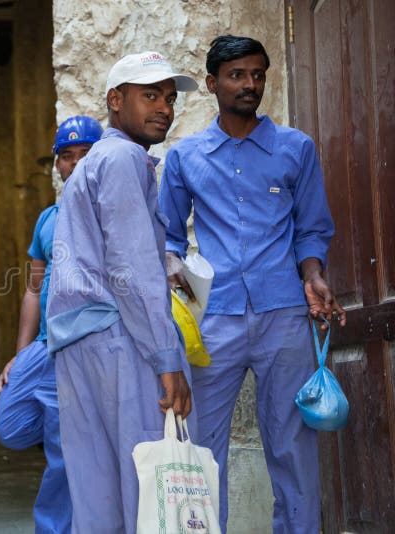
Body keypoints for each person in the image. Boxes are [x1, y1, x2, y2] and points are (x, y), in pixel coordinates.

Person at [158, 35, 345, 533]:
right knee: (202, 446)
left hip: (283, 314)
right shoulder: (185, 157)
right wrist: (173, 264)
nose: (249, 84)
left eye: (258, 75)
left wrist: (313, 272)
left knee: (292, 445)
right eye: (237, 75)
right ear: (213, 82)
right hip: (214, 320)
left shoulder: (295, 149)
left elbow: (311, 228)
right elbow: (169, 235)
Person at [46, 52, 198, 532]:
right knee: (146, 485)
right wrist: (166, 357)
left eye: (170, 99)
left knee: (97, 490)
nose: (164, 109)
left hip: (78, 341)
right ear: (115, 100)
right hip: (118, 339)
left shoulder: (97, 163)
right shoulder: (124, 157)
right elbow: (130, 270)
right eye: (149, 95)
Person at [0, 116, 103, 534]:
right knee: (9, 426)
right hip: (45, 346)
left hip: (83, 346)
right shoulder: (47, 219)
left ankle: (57, 527)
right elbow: (31, 290)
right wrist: (21, 354)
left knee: (64, 450)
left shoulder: (107, 211)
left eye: (85, 155)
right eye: (67, 157)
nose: (75, 164)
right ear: (56, 166)